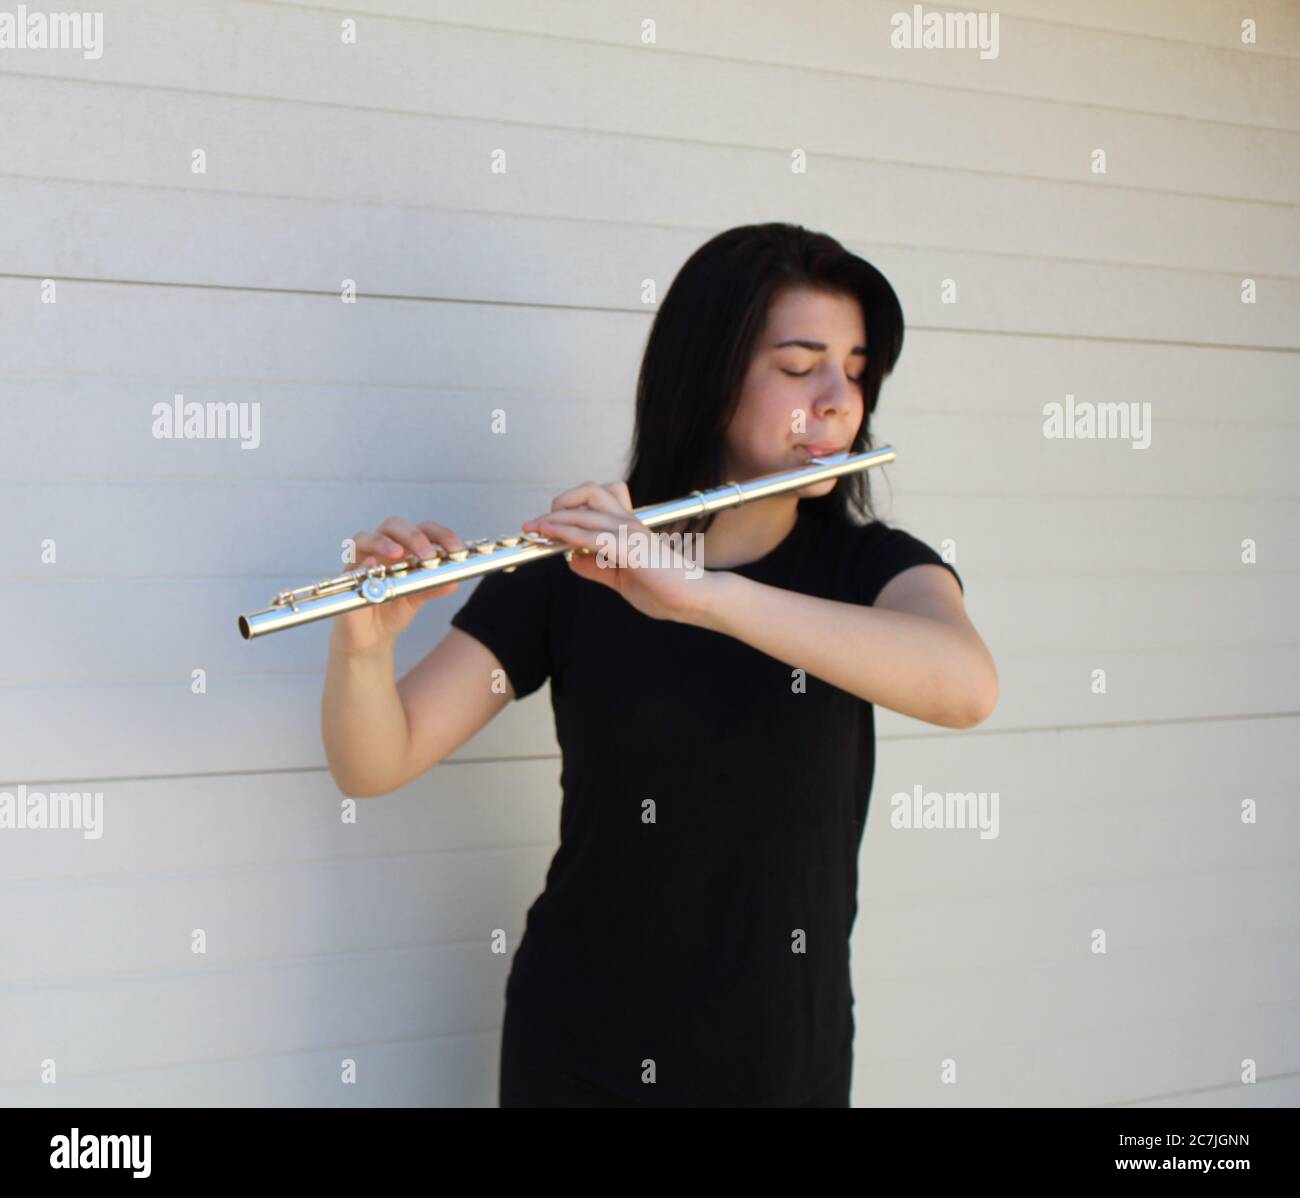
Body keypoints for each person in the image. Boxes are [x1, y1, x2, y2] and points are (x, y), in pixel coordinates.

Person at [320, 222, 999, 1108]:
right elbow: (377, 760)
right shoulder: (579, 565)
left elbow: (966, 687)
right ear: (710, 376)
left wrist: (702, 594)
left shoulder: (873, 570)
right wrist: (364, 647)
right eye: (800, 367)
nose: (838, 398)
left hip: (778, 1061)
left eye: (857, 369)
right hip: (579, 1053)